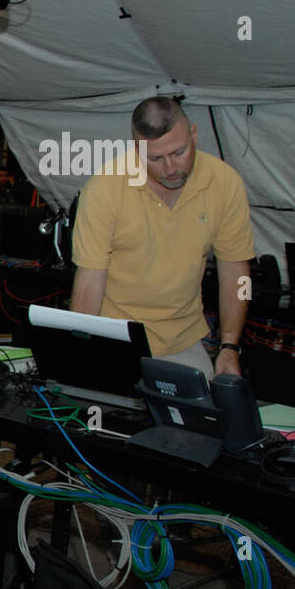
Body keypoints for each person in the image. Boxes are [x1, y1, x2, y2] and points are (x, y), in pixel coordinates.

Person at [70, 97, 254, 379]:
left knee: (205, 419)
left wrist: (230, 346)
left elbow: (236, 274)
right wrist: (82, 355)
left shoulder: (225, 183)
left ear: (194, 134)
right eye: (155, 158)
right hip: (116, 337)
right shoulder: (105, 188)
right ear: (136, 149)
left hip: (183, 338)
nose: (170, 168)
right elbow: (89, 282)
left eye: (179, 152)